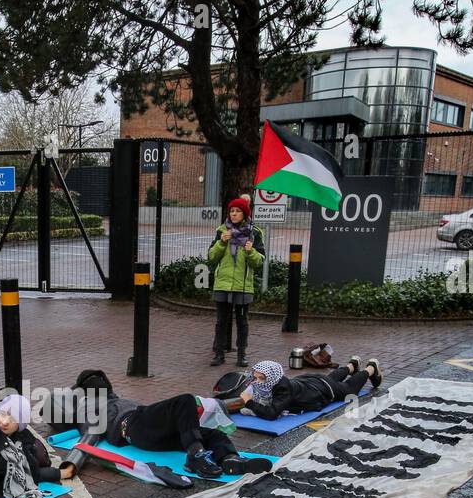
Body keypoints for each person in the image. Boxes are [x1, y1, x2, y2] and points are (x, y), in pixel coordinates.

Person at [54, 369, 273, 482]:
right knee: (185, 400)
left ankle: (228, 459)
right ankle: (196, 455)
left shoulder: (110, 400)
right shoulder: (92, 410)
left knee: (211, 434)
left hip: (150, 431)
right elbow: (87, 435)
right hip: (134, 425)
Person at [223, 356, 383, 422]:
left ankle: (370, 368)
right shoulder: (274, 380)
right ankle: (351, 365)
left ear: (271, 377)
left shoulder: (282, 389)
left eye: (261, 378)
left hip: (320, 390)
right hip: (310, 381)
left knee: (348, 389)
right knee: (331, 378)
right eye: (256, 377)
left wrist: (249, 403)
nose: (257, 381)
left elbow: (272, 413)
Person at [209, 197, 265, 369]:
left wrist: (250, 251)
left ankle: (242, 355)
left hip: (242, 285)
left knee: (242, 322)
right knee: (221, 321)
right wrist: (221, 242)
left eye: (237, 211)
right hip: (223, 284)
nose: (233, 214)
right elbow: (211, 257)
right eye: (231, 211)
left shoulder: (255, 233)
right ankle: (219, 353)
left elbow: (260, 261)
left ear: (245, 213)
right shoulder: (221, 231)